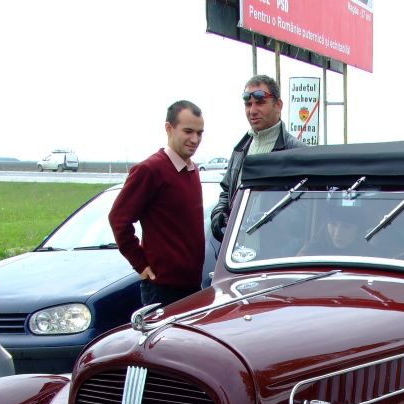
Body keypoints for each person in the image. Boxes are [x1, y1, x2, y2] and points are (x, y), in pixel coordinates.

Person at [109, 100, 206, 308]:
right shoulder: (150, 170)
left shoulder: (193, 170)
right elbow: (118, 219)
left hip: (192, 287)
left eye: (199, 133)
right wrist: (141, 265)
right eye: (188, 131)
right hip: (162, 290)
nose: (194, 139)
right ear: (169, 128)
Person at [209, 75, 304, 242]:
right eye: (248, 104)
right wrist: (219, 212)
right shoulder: (240, 149)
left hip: (276, 253)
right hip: (236, 252)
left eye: (260, 103)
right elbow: (226, 190)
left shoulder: (296, 151)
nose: (252, 111)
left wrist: (271, 218)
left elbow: (307, 208)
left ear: (278, 105)